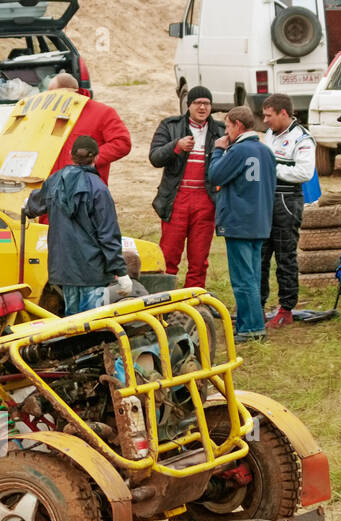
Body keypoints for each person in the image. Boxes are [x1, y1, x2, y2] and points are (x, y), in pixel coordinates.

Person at [25, 135, 130, 315]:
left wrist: (28, 204)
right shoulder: (99, 189)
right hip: (92, 272)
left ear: (70, 155)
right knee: (92, 326)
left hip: (64, 269)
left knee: (72, 325)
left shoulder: (54, 181)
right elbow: (108, 234)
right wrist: (121, 272)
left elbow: (33, 206)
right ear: (96, 157)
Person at [206, 106, 276, 341]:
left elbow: (215, 175)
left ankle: (252, 328)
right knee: (253, 276)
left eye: (227, 126)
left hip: (239, 222)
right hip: (259, 221)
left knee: (242, 279)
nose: (225, 132)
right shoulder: (266, 151)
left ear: (238, 125)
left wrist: (217, 151)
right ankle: (248, 322)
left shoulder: (237, 151)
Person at [149, 85, 224, 291]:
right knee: (169, 254)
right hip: (177, 198)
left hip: (206, 199)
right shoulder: (170, 125)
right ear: (188, 106)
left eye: (206, 103)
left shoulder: (221, 130)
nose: (202, 107)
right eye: (197, 103)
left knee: (199, 257)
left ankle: (194, 300)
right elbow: (154, 158)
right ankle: (163, 299)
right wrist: (176, 146)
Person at [260, 93, 316, 329]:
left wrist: (272, 169)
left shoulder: (302, 139)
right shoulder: (270, 134)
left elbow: (305, 173)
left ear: (283, 113)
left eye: (268, 115)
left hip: (287, 200)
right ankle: (257, 306)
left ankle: (286, 308)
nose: (265, 121)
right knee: (261, 255)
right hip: (266, 199)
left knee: (285, 256)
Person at [46, 73, 131, 185]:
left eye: (54, 95)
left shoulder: (102, 112)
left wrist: (88, 159)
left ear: (70, 92)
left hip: (86, 188)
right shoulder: (47, 114)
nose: (51, 99)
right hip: (52, 186)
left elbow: (122, 143)